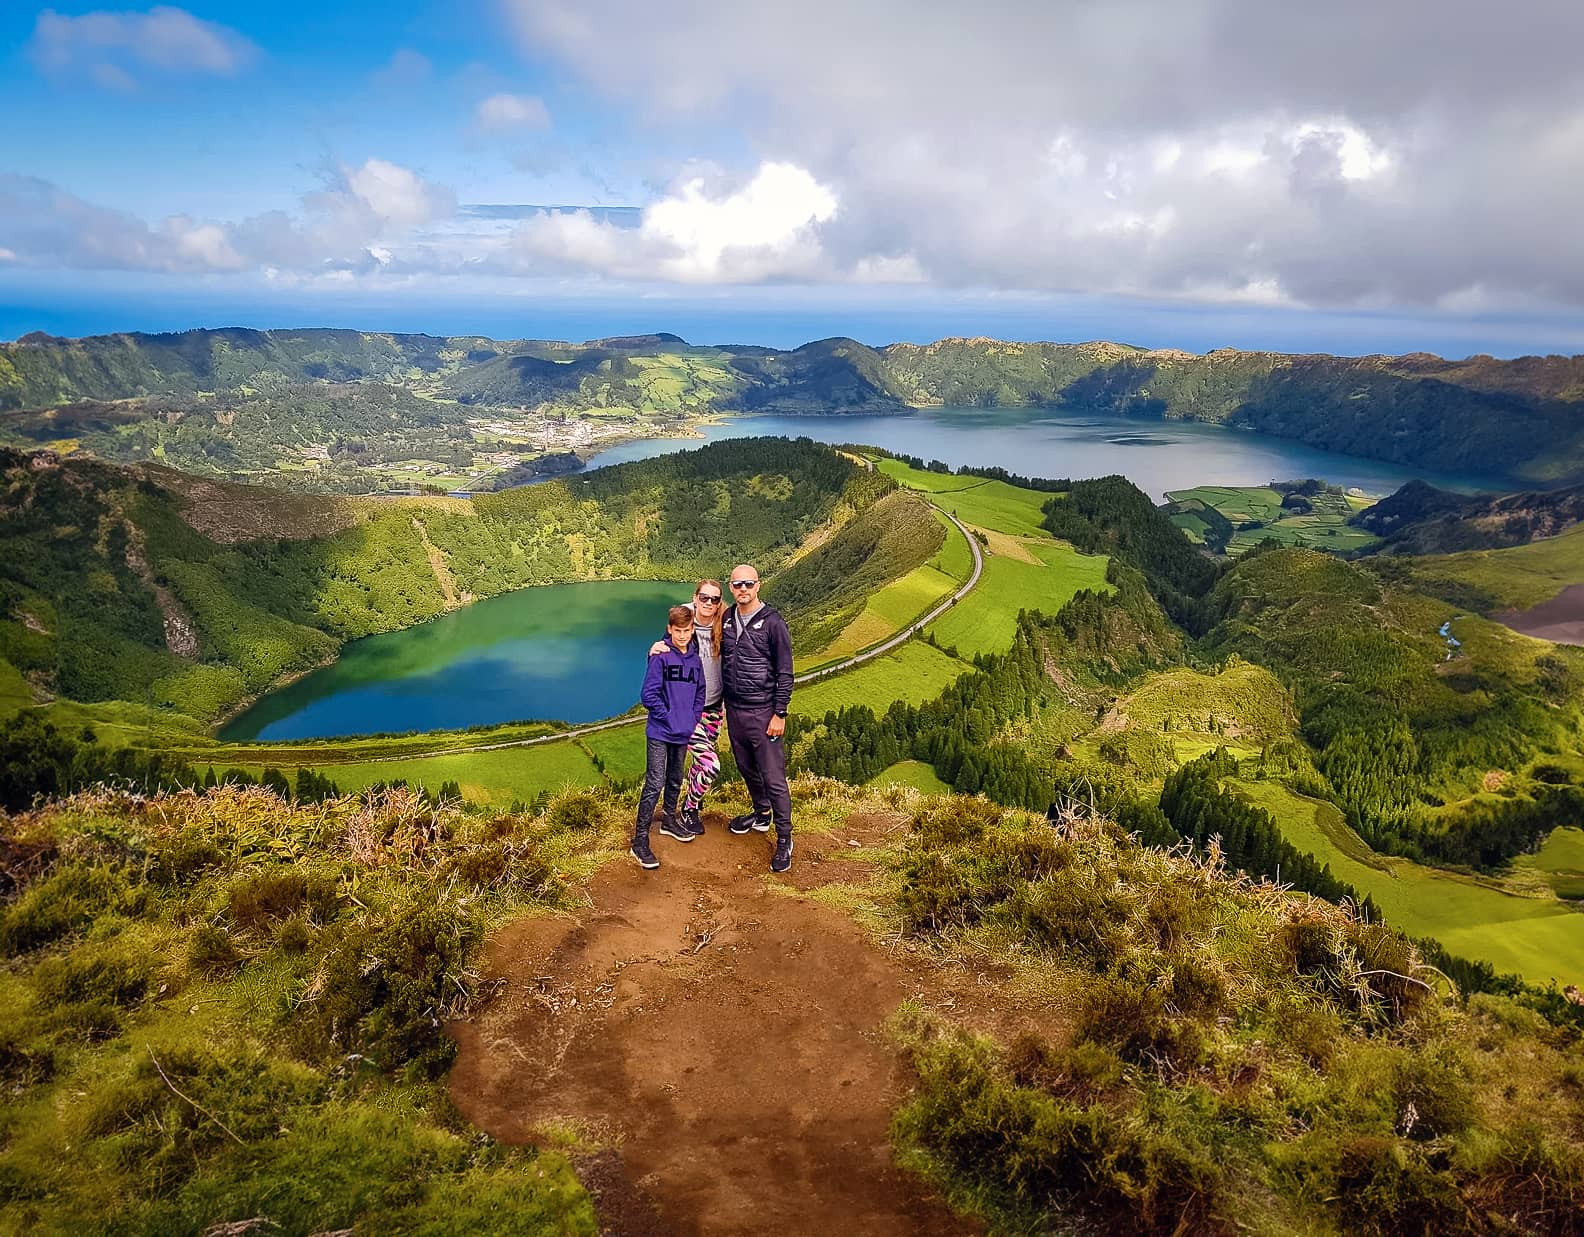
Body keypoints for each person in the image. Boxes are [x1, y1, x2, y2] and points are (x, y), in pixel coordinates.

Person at [720, 564, 795, 873]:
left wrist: (779, 713)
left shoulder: (773, 623)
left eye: (748, 583)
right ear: (731, 587)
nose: (743, 589)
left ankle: (785, 839)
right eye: (738, 584)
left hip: (763, 711)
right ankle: (761, 814)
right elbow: (690, 619)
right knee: (746, 767)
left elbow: (785, 672)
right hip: (734, 709)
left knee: (773, 776)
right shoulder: (726, 619)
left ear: (758, 585)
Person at [630, 605, 706, 871]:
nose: (683, 635)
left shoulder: (695, 661)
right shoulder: (660, 657)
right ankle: (639, 840)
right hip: (661, 732)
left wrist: (692, 719)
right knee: (655, 781)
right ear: (670, 629)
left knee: (675, 778)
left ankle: (669, 821)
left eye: (687, 630)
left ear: (692, 629)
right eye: (678, 631)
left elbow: (700, 693)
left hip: (682, 731)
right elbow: (648, 695)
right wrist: (671, 718)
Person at [648, 580, 726, 836]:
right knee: (710, 764)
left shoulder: (724, 622)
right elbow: (665, 652)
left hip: (714, 708)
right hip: (688, 712)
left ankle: (689, 803)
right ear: (695, 597)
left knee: (699, 764)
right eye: (704, 597)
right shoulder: (685, 620)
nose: (709, 603)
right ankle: (689, 809)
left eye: (714, 599)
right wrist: (651, 651)